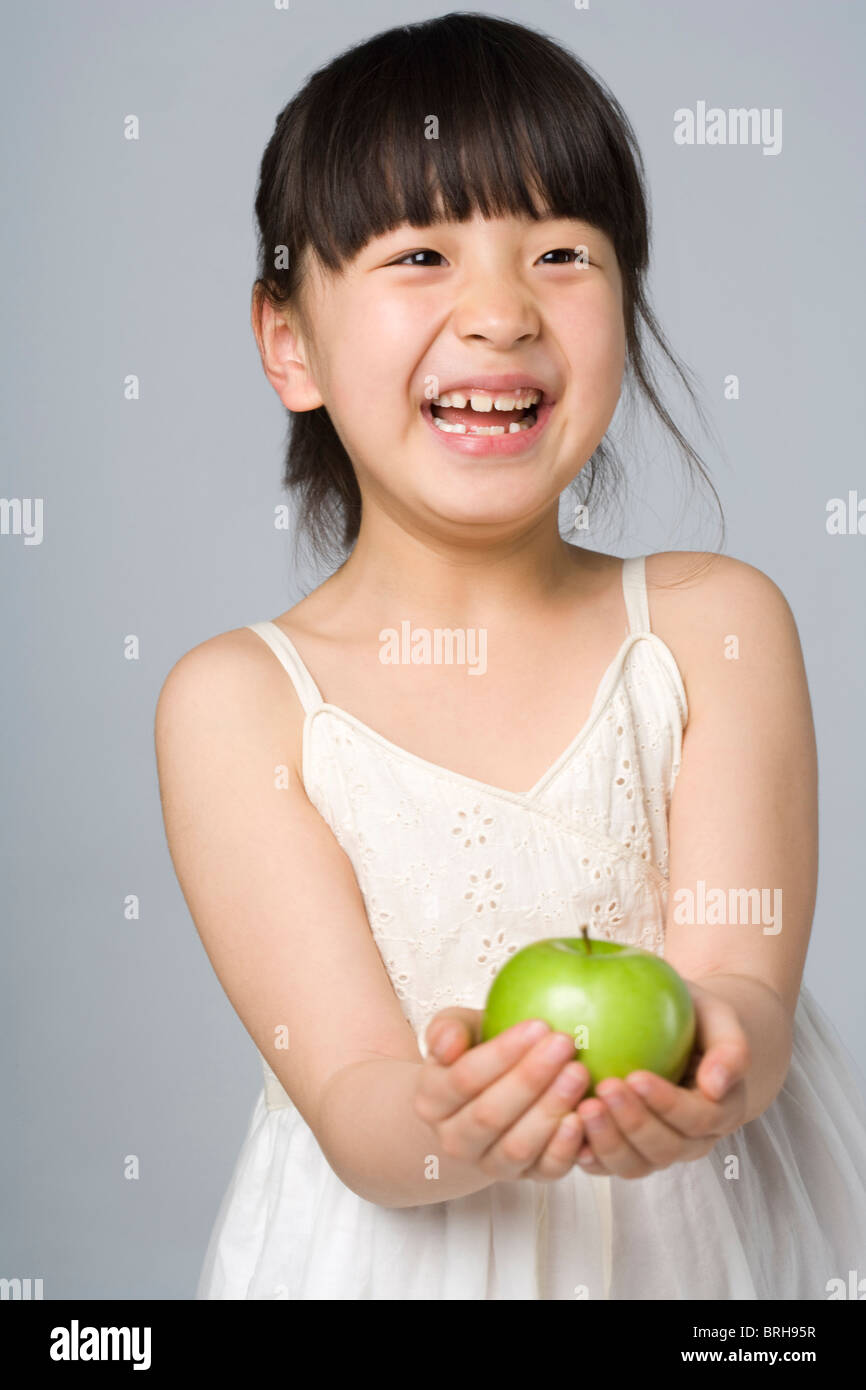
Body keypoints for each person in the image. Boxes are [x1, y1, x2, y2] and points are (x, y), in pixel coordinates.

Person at [154, 13, 866, 1299]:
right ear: (288, 342)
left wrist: (712, 1063)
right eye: (420, 252)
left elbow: (743, 987)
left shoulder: (714, 628)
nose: (499, 312)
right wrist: (460, 1124)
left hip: (709, 1266)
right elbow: (359, 1103)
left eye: (559, 252)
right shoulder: (241, 706)